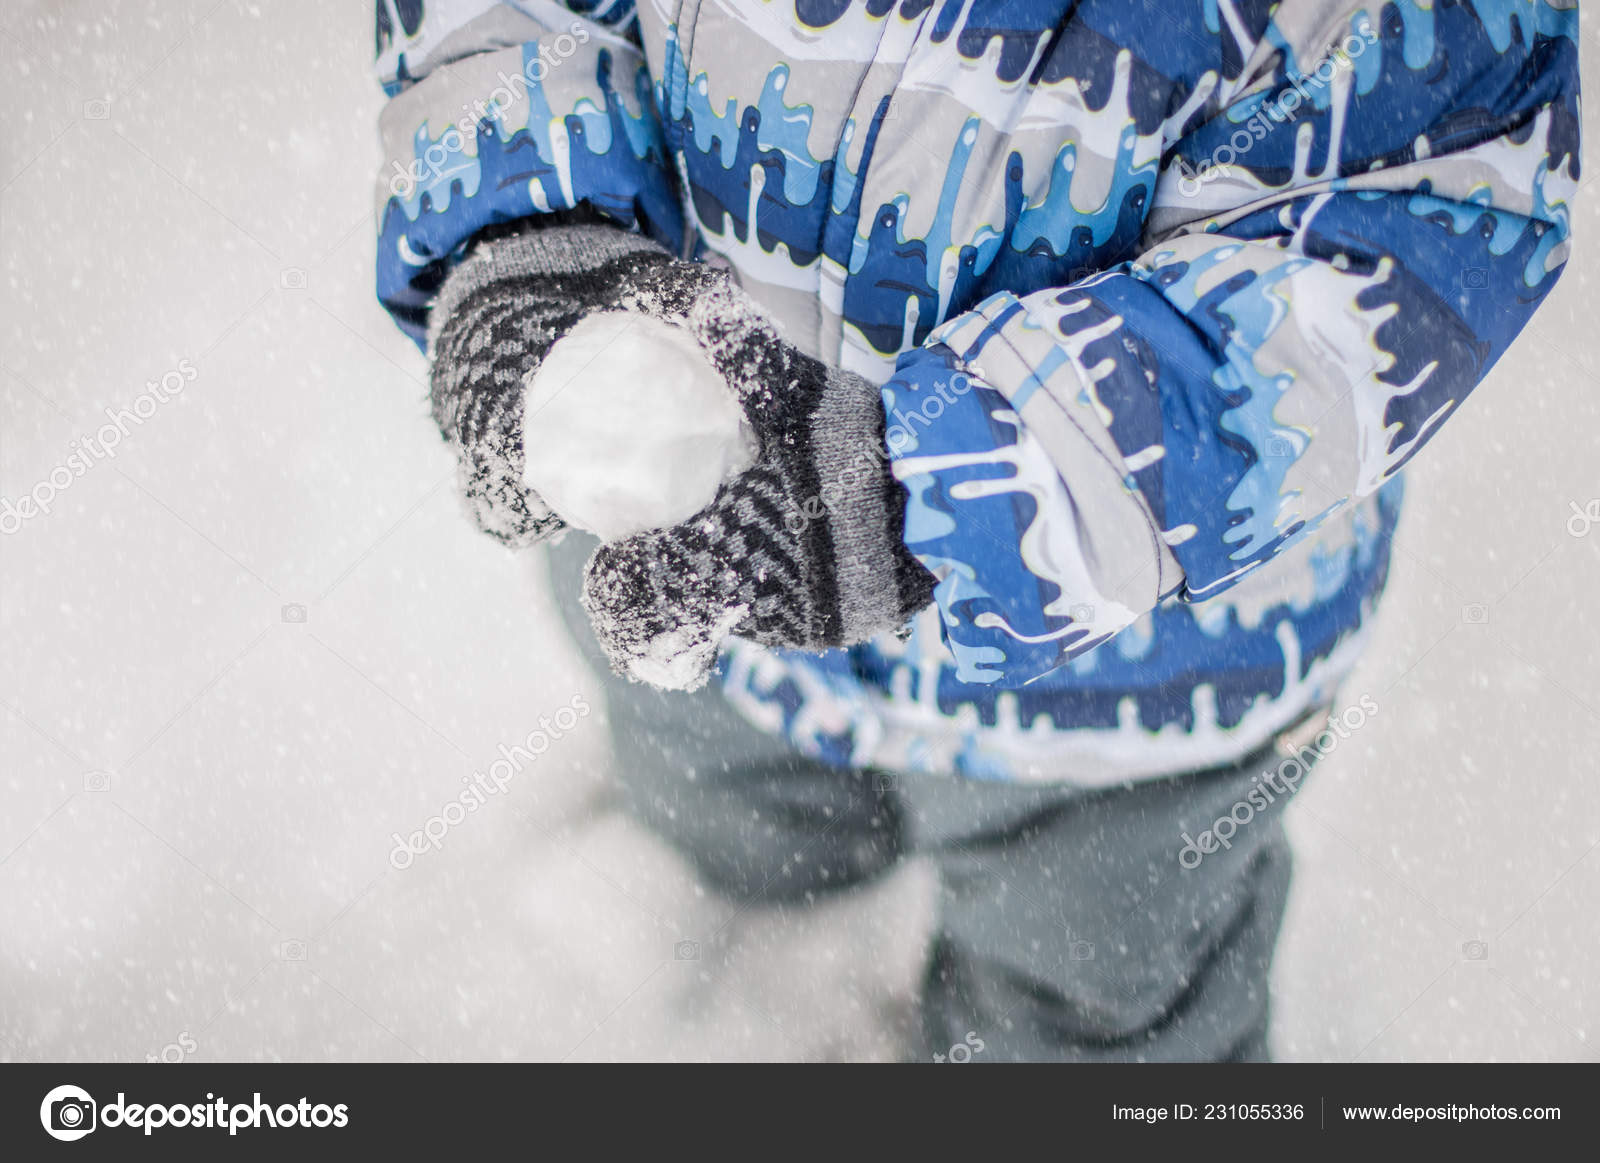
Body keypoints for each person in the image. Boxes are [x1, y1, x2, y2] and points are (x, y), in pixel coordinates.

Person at [372, 0, 1579, 1060]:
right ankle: (743, 906)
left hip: (1134, 687)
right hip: (703, 559)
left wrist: (936, 489)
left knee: (1095, 991)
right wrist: (524, 226)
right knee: (718, 790)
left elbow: (1409, 225)